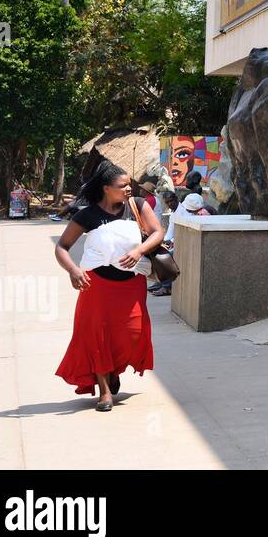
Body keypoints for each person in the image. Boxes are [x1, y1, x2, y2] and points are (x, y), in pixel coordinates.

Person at [53, 160, 163, 411]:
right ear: (106, 188)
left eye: (129, 184)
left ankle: (114, 372)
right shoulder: (87, 214)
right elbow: (62, 246)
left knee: (132, 333)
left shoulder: (137, 205)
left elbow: (157, 232)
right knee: (97, 336)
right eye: (122, 185)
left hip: (131, 284)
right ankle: (104, 390)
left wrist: (140, 250)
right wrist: (73, 269)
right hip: (96, 285)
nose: (128, 189)